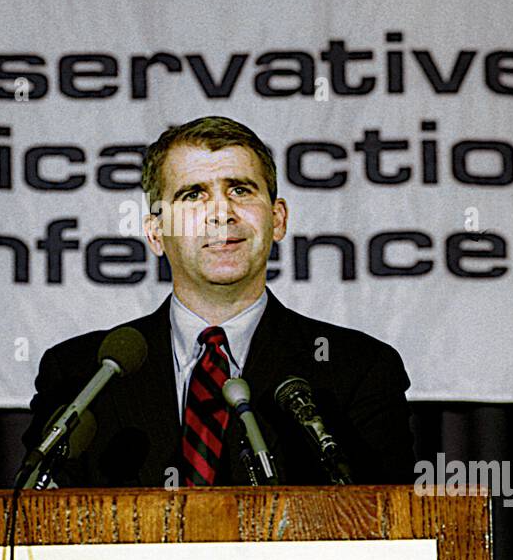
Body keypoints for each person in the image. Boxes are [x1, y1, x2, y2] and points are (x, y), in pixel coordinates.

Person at [22, 116, 414, 486]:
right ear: (156, 232)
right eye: (194, 195)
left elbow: (390, 529)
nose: (222, 212)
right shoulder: (80, 377)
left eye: (240, 190)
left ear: (277, 220)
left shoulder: (359, 370)